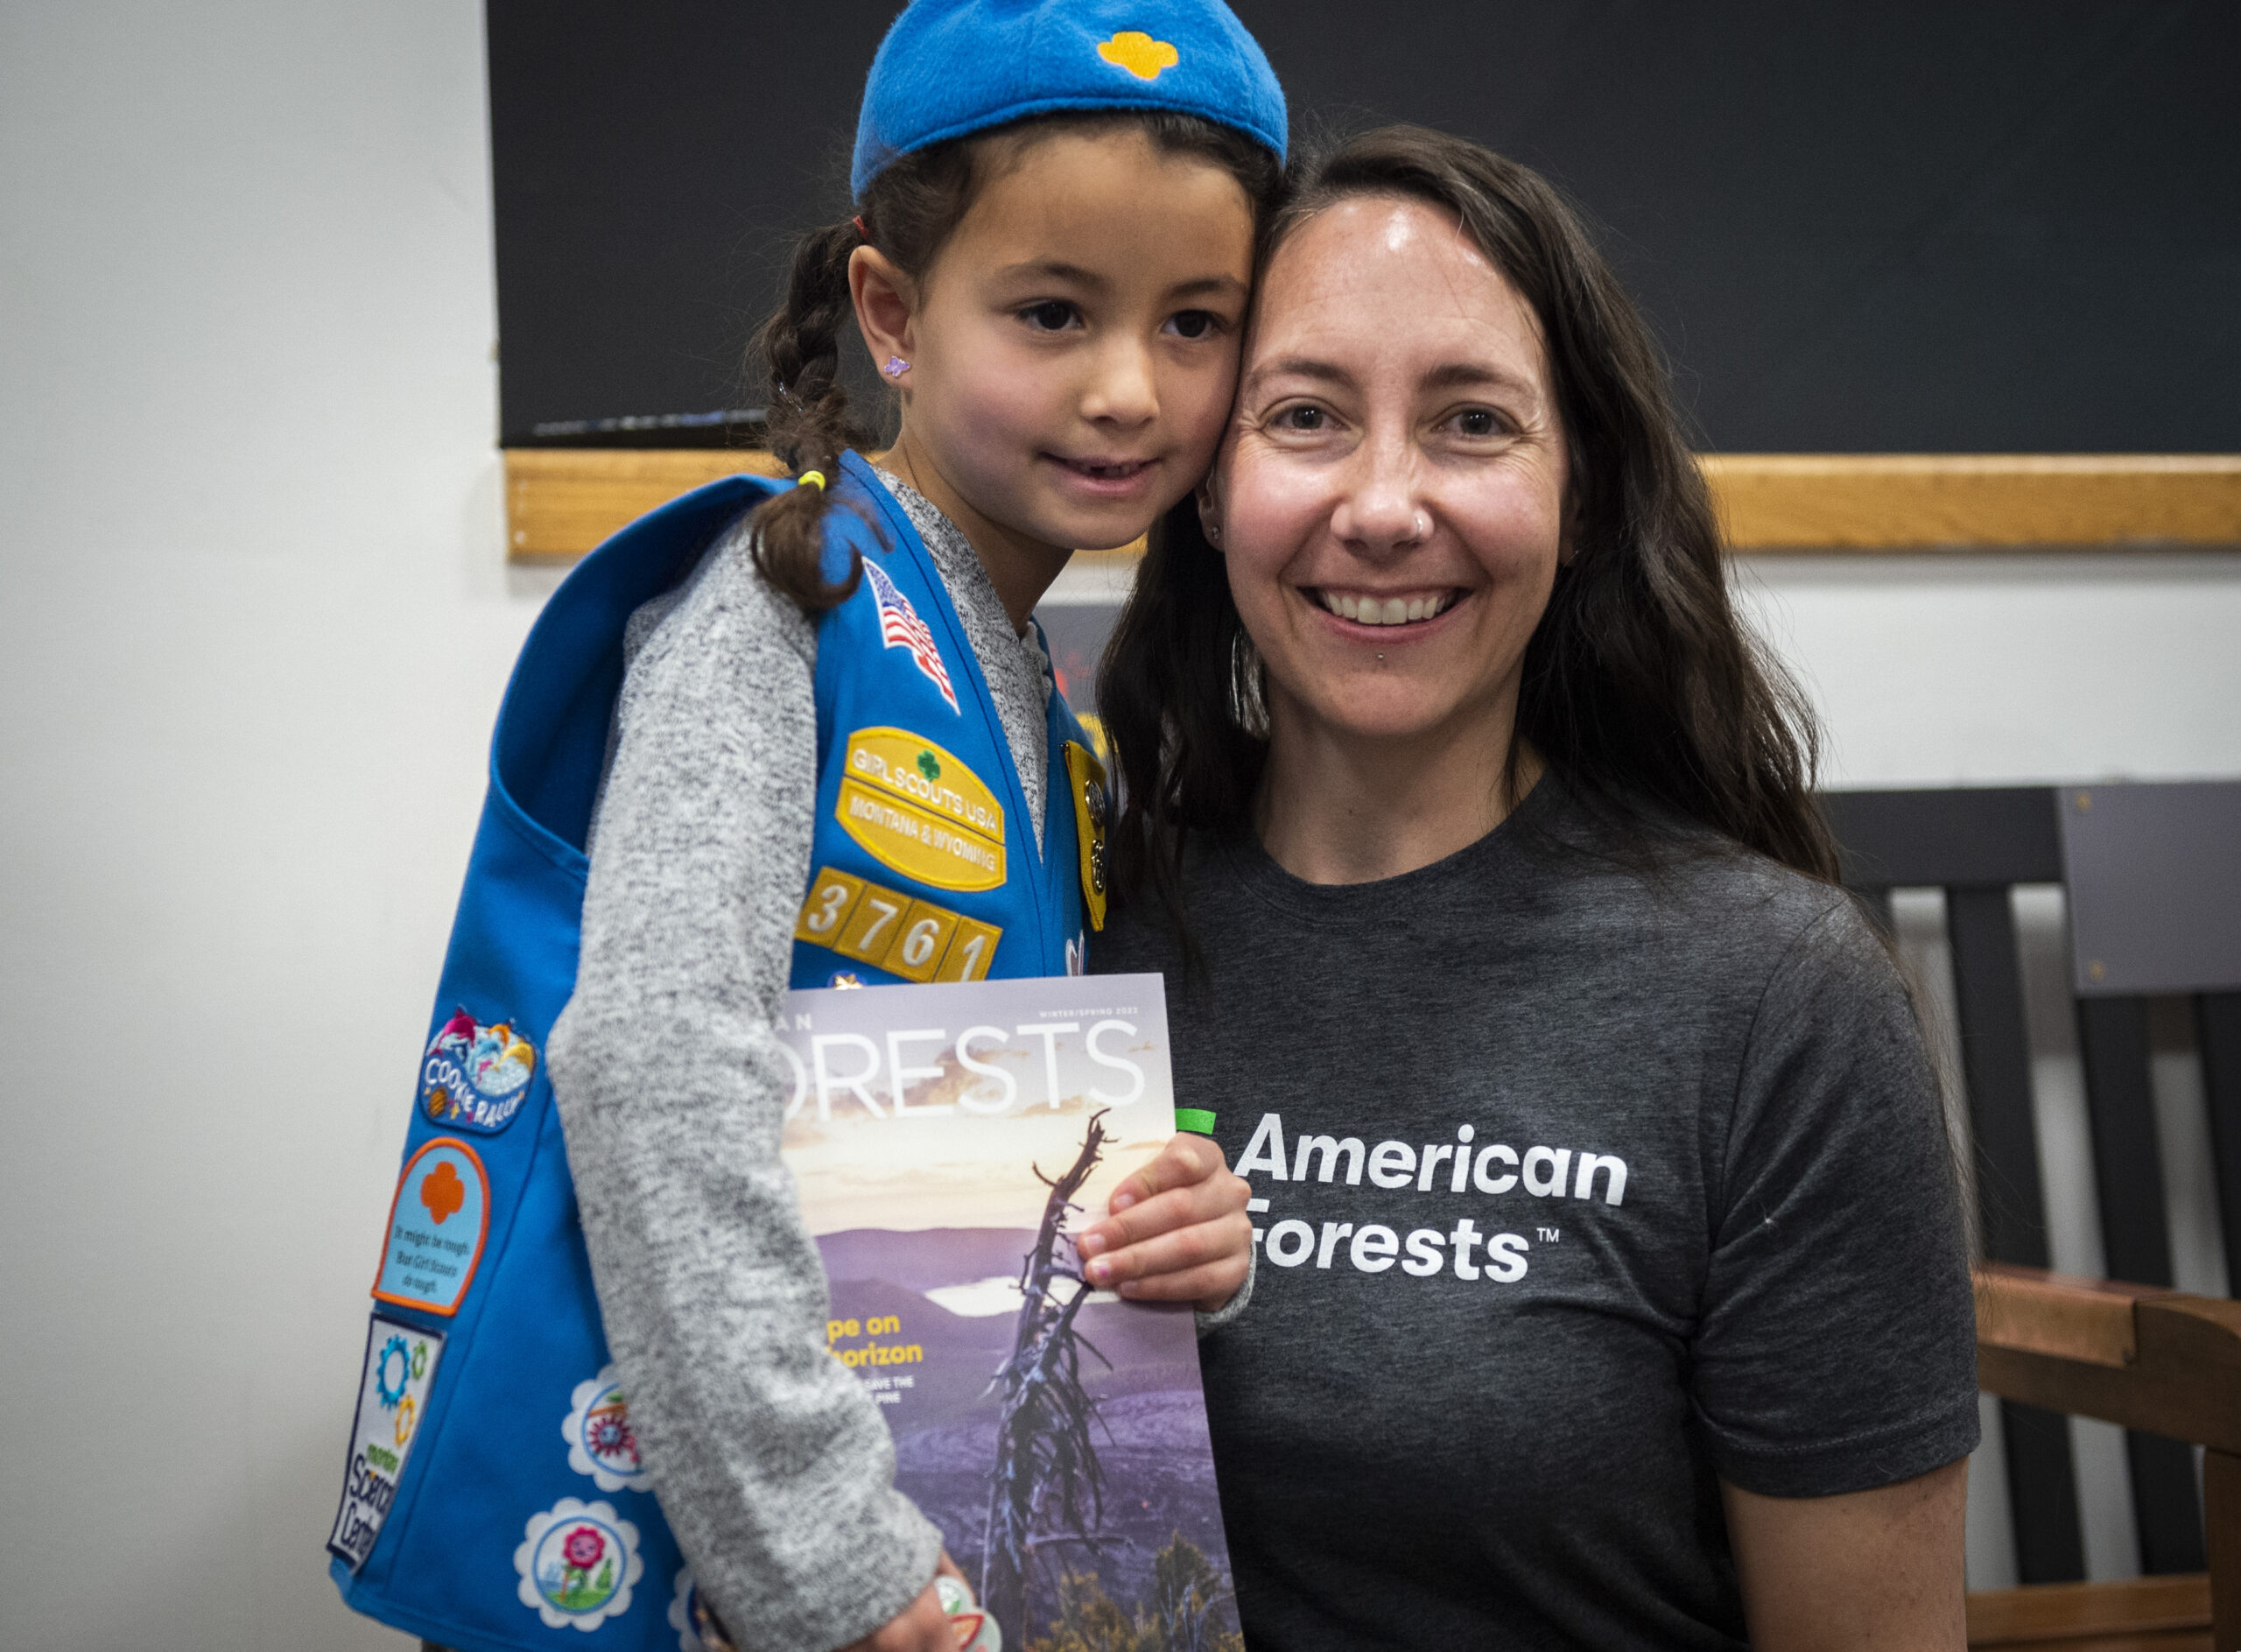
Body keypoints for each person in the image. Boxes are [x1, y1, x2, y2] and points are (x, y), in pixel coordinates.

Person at [328, 6, 1279, 1650]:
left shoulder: (1050, 714)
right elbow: (649, 1059)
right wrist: (830, 1557)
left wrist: (1175, 1214)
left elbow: (988, 1127)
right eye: (1054, 311)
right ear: (892, 313)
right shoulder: (787, 606)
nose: (1132, 389)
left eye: (1197, 323)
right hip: (747, 1569)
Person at [1081, 126, 1980, 1650]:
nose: (1381, 506)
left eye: (1473, 424)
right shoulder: (1066, 908)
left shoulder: (1772, 999)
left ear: (1580, 497)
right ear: (1209, 490)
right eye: (1303, 416)